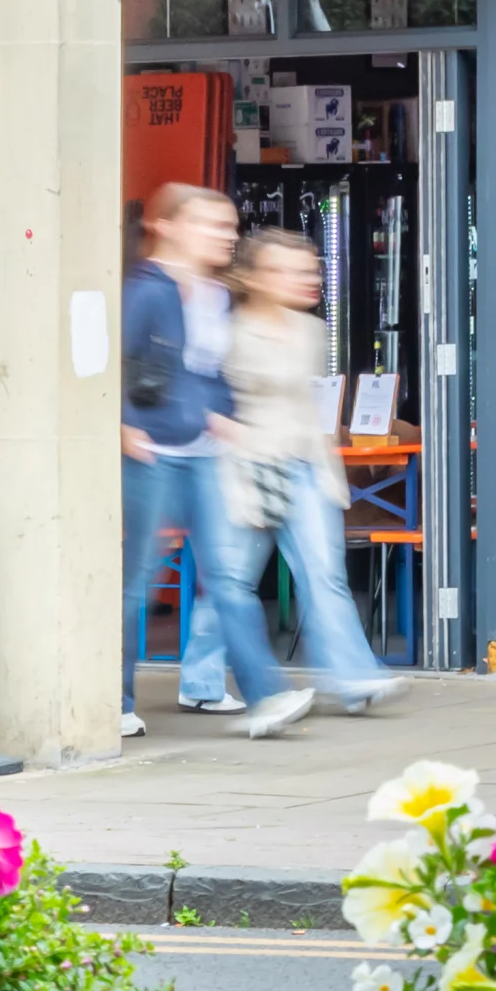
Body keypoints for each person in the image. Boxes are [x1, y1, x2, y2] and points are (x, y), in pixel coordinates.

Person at [119, 182, 312, 741]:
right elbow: (114, 363)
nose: (229, 236)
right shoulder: (145, 290)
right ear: (169, 225)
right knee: (138, 578)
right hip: (152, 452)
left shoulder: (217, 294)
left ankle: (266, 697)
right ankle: (114, 698)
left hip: (204, 453)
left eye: (230, 226)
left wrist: (225, 418)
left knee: (227, 577)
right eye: (213, 225)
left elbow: (209, 374)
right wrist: (124, 427)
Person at [184, 228, 395, 714]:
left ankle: (356, 677)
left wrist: (330, 466)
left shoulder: (311, 331)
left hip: (303, 462)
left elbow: (309, 404)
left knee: (325, 574)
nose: (307, 279)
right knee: (231, 581)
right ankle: (200, 680)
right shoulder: (228, 332)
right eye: (289, 270)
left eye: (310, 270)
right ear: (256, 278)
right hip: (245, 466)